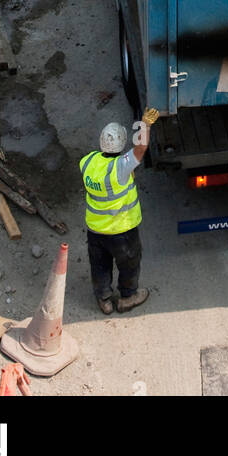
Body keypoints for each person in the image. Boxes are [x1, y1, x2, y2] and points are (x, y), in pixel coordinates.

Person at [80, 107, 158, 314]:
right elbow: (140, 148)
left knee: (99, 265)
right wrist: (145, 125)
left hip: (96, 231)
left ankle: (104, 299)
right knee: (129, 263)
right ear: (122, 143)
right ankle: (128, 297)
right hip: (122, 231)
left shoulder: (87, 162)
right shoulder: (121, 167)